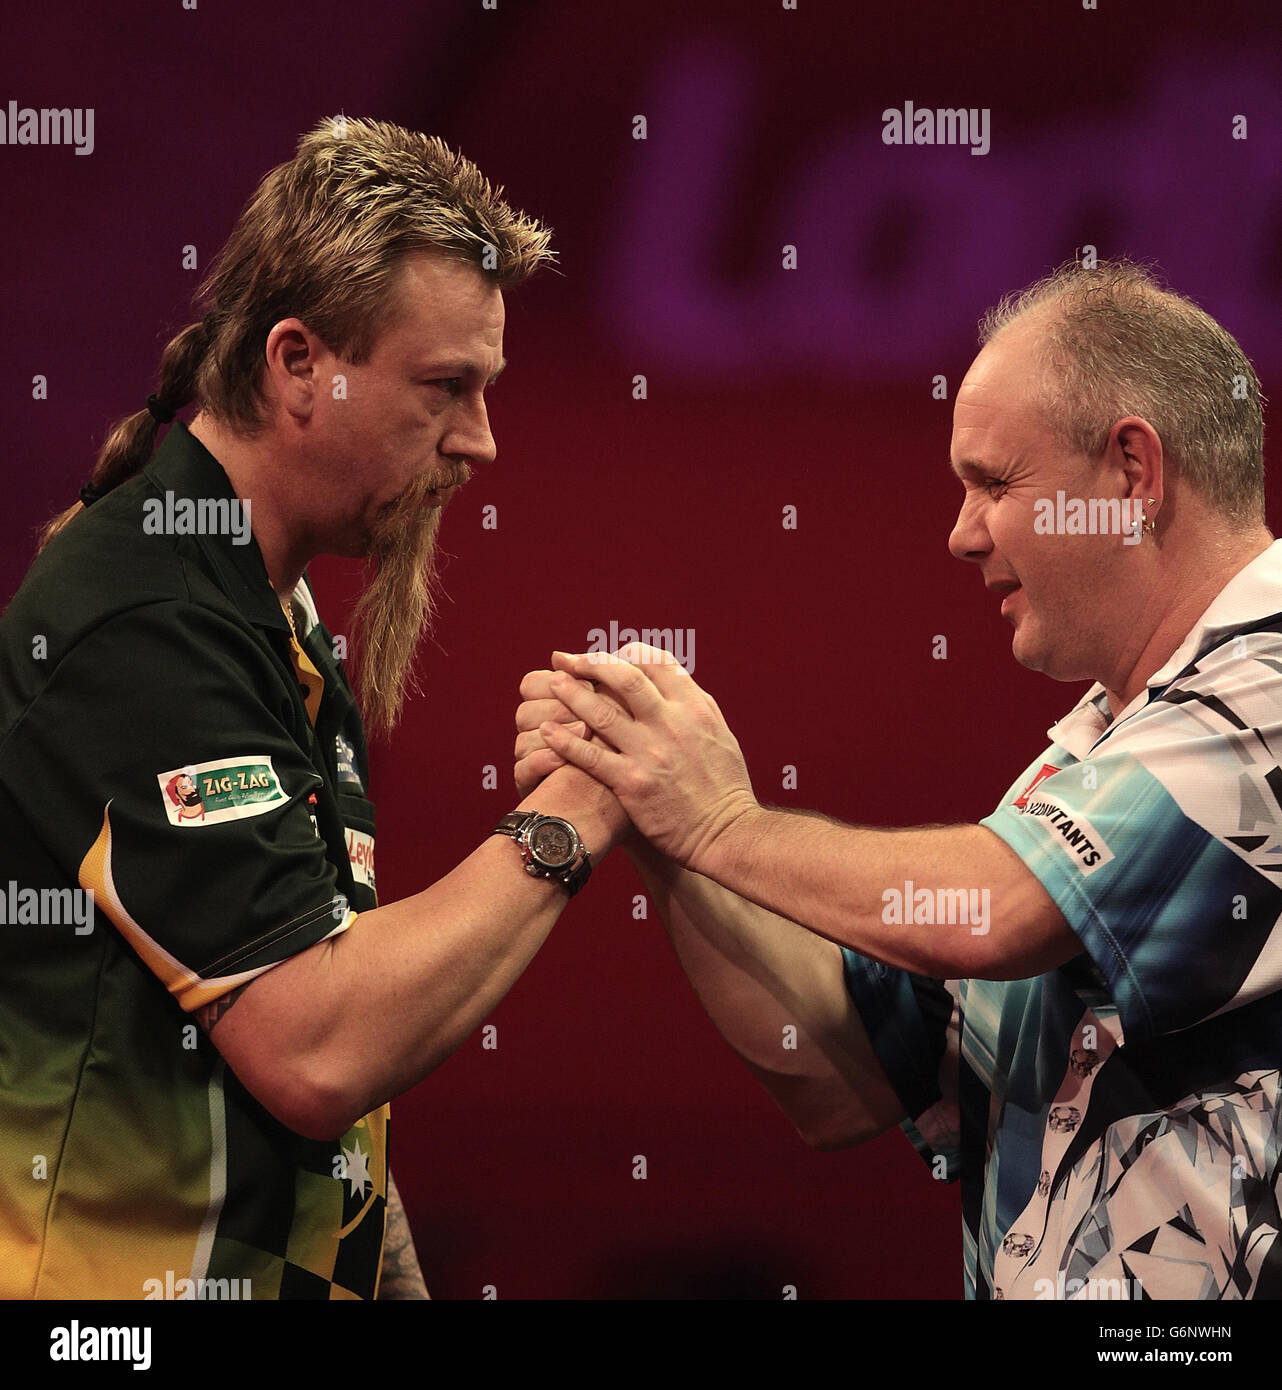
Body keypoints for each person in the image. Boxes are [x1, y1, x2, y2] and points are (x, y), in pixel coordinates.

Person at [516, 260, 1282, 1300]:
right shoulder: (1095, 752)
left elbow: (997, 911)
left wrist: (717, 819)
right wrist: (656, 814)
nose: (960, 534)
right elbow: (838, 1082)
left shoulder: (1268, 677)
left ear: (1131, 473)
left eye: (994, 483)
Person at [0, 117, 626, 1300]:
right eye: (447, 387)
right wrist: (578, 809)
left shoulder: (266, 611)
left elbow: (332, 1095)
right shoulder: (146, 616)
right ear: (297, 364)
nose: (480, 442)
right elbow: (314, 1043)